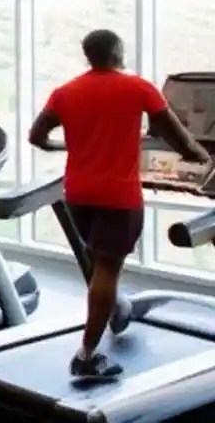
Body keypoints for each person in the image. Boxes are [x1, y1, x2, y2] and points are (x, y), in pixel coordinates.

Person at [28, 29, 209, 380]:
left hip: (78, 193)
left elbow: (36, 137)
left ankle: (112, 310)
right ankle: (86, 354)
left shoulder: (65, 92)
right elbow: (178, 137)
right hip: (118, 195)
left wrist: (65, 147)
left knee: (101, 264)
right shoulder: (138, 87)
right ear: (116, 53)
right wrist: (202, 158)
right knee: (108, 269)